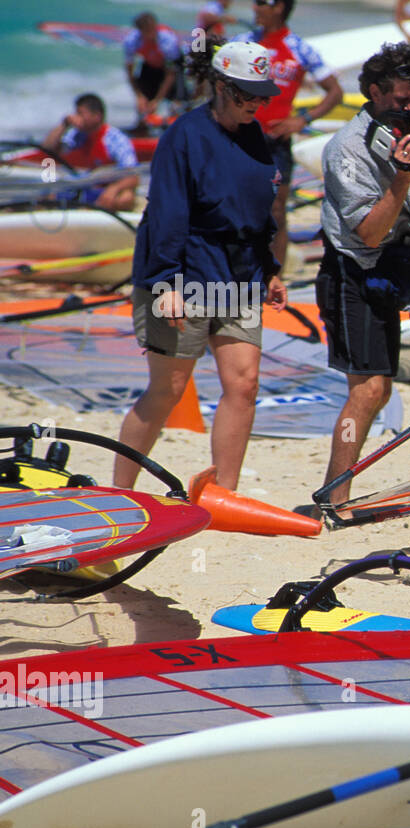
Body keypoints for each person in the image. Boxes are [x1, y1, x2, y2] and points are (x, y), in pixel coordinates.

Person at [114, 41, 288, 492]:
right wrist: (166, 282)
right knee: (167, 392)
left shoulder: (255, 136)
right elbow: (168, 211)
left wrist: (270, 268)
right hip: (184, 275)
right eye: (249, 94)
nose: (258, 104)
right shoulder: (183, 134)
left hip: (241, 275)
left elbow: (259, 209)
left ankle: (223, 495)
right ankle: (120, 489)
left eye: (263, 95)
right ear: (221, 86)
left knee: (244, 384)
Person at [316, 43, 410, 508]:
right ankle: (335, 498)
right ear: (374, 92)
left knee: (378, 390)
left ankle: (339, 487)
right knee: (368, 388)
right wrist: (402, 177)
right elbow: (370, 234)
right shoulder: (347, 149)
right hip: (352, 271)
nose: (409, 108)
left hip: (390, 275)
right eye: (400, 99)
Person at [233, 0, 344, 270]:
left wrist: (302, 119)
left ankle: (274, 280)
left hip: (276, 142)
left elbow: (335, 92)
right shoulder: (241, 43)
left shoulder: (300, 48)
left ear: (279, 7)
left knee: (277, 210)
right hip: (239, 139)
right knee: (235, 205)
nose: (255, 8)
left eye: (261, 3)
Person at [40, 94, 140, 212]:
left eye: (80, 114)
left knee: (126, 198)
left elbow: (133, 175)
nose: (76, 118)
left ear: (97, 116)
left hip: (104, 190)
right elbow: (47, 149)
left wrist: (114, 189)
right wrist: (64, 124)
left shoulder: (115, 139)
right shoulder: (76, 136)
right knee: (47, 193)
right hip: (81, 186)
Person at [123, 12, 186, 129]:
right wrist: (139, 95)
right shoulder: (132, 41)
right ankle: (143, 127)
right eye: (146, 31)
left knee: (178, 103)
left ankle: (177, 127)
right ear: (140, 31)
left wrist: (157, 100)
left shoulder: (167, 41)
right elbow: (129, 70)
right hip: (150, 65)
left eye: (152, 30)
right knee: (144, 105)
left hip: (172, 67)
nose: (151, 34)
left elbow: (170, 74)